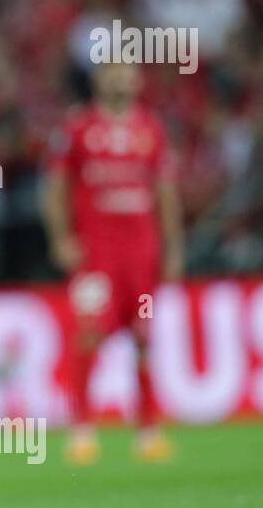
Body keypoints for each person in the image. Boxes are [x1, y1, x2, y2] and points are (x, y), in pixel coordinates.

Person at [42, 59, 185, 465]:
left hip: (141, 253)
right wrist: (61, 238)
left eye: (127, 71)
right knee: (89, 334)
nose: (121, 78)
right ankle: (82, 430)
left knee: (143, 338)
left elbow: (166, 193)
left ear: (138, 80)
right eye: (112, 72)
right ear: (98, 80)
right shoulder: (76, 129)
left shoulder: (151, 129)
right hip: (95, 254)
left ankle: (148, 432)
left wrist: (172, 248)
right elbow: (55, 188)